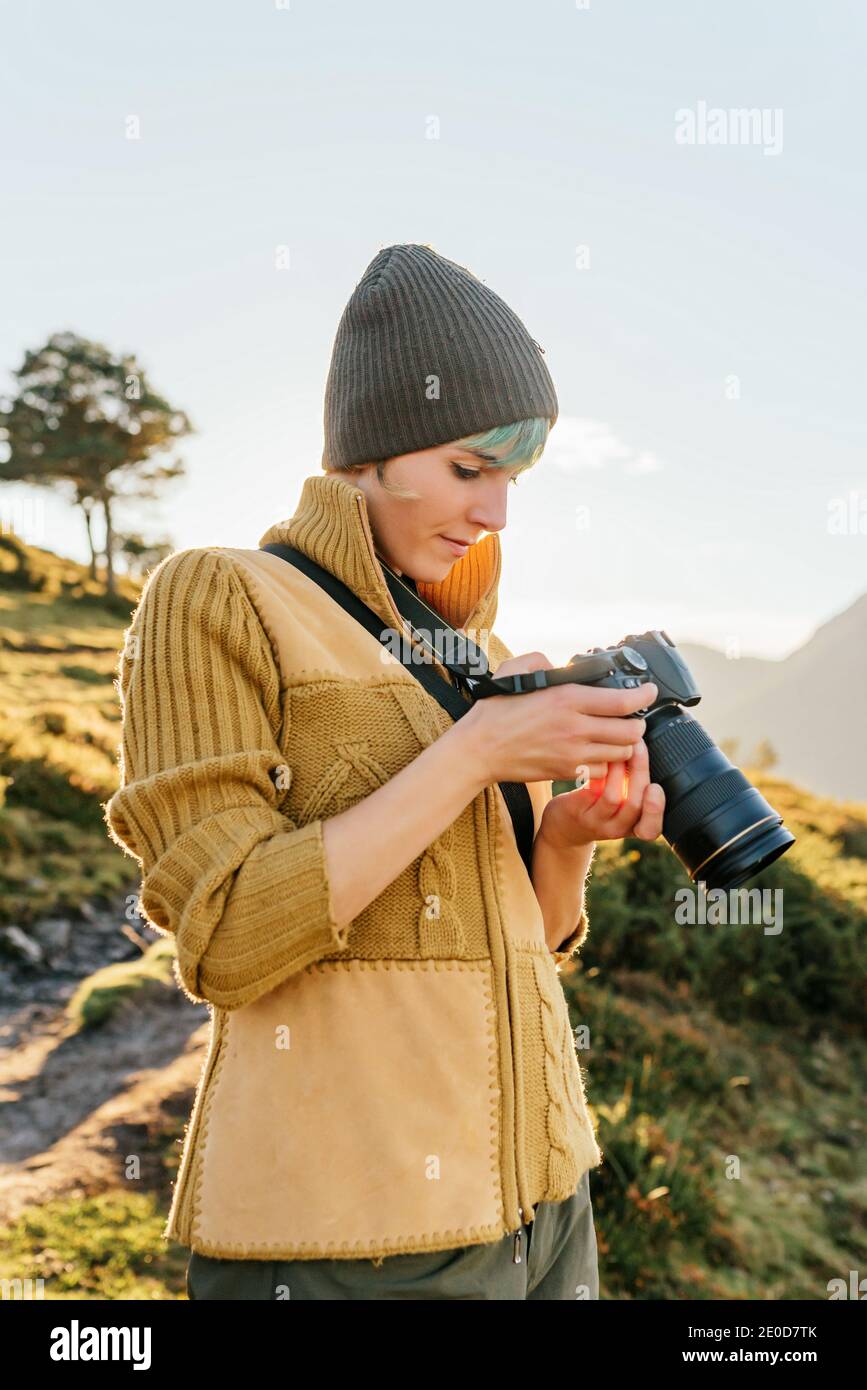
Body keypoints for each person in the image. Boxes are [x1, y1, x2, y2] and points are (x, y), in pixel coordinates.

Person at [105, 243, 665, 1300]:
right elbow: (225, 938)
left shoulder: (480, 658)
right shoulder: (220, 596)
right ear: (365, 453)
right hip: (350, 1242)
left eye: (511, 478)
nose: (496, 513)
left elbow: (519, 947)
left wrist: (562, 844)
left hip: (550, 1205)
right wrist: (475, 756)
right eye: (469, 468)